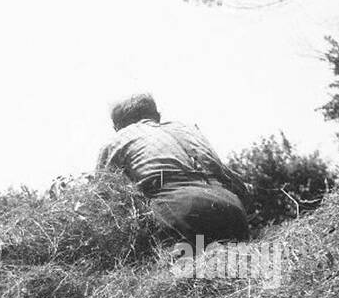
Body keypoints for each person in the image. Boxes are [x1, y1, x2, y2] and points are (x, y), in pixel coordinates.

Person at [96, 92, 251, 243]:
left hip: (180, 213)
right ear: (157, 115)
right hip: (234, 213)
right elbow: (239, 186)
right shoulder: (187, 129)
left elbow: (101, 200)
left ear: (117, 126)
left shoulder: (117, 140)